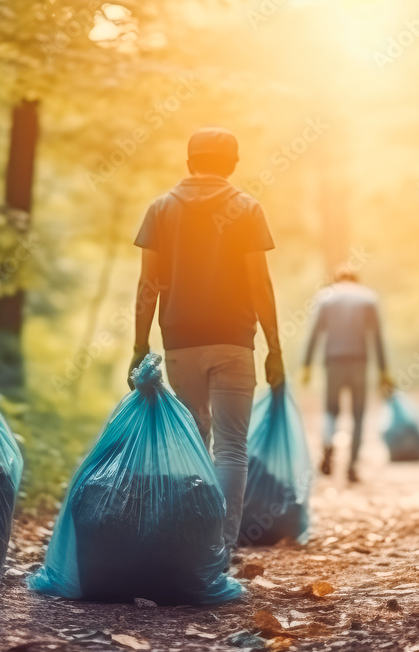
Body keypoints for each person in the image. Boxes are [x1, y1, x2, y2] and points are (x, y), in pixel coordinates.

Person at [129, 127, 285, 554]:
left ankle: (190, 544)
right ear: (233, 164)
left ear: (188, 162)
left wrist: (140, 345)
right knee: (231, 447)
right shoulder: (249, 209)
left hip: (180, 341)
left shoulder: (160, 209)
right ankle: (221, 549)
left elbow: (149, 283)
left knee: (195, 438)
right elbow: (261, 286)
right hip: (235, 341)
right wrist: (275, 348)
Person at [302, 269, 393, 483]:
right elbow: (377, 336)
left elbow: (315, 334)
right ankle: (351, 467)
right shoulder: (368, 298)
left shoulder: (326, 298)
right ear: (356, 280)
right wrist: (383, 370)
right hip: (359, 362)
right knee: (358, 414)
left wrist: (307, 365)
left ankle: (328, 451)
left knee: (331, 411)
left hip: (333, 362)